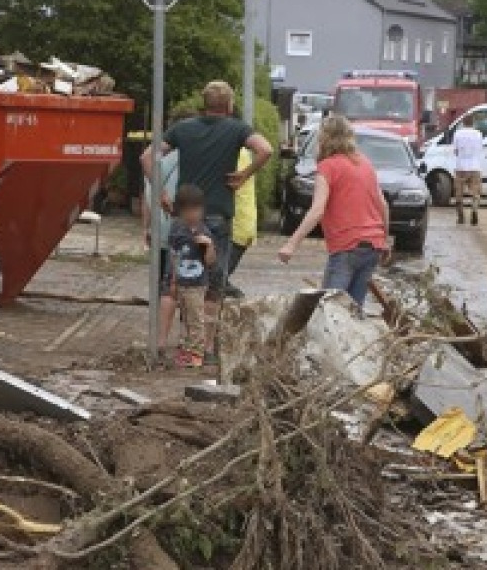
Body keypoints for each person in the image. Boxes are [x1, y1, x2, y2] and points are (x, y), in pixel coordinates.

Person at [142, 80, 274, 364]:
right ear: (229, 105)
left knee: (173, 283)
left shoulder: (183, 129)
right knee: (212, 286)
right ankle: (206, 349)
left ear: (204, 104)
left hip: (182, 217)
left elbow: (146, 157)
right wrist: (245, 174)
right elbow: (266, 150)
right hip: (216, 218)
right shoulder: (237, 129)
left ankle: (161, 345)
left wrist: (161, 193)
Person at [278, 116, 389, 309]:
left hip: (346, 247)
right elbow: (383, 205)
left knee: (330, 310)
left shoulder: (327, 167)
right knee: (354, 310)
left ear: (325, 138)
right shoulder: (365, 164)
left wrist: (291, 244)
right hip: (372, 246)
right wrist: (385, 240)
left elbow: (317, 210)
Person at [166, 184, 216, 368]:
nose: (192, 215)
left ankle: (197, 353)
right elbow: (173, 256)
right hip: (181, 281)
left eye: (196, 210)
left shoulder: (204, 232)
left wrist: (209, 245)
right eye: (188, 210)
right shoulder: (177, 230)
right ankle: (186, 350)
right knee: (186, 317)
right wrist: (172, 280)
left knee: (196, 317)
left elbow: (211, 262)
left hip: (197, 283)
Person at [141, 141, 180, 352]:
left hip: (159, 231)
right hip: (178, 231)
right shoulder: (183, 161)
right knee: (181, 284)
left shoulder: (153, 163)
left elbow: (147, 197)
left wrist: (145, 229)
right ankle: (180, 335)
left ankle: (158, 333)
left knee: (161, 285)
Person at [226, 148, 258, 298]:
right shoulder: (242, 153)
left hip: (238, 220)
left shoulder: (236, 153)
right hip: (243, 220)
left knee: (220, 274)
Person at [452, 115, 485, 226]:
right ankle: (474, 210)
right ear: (473, 123)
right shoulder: (478, 134)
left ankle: (460, 216)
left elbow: (455, 151)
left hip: (461, 166)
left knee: (459, 192)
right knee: (475, 193)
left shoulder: (458, 134)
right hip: (475, 167)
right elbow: (480, 149)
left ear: (463, 123)